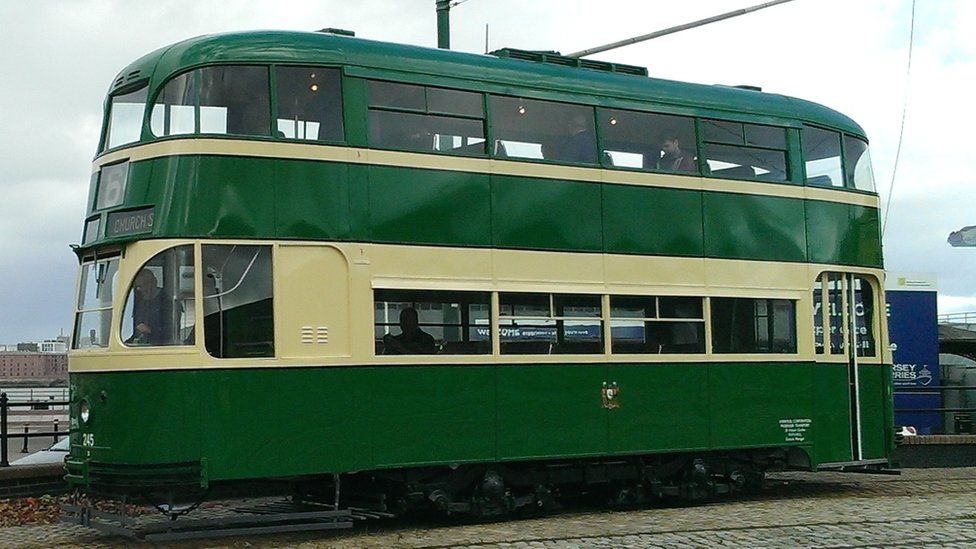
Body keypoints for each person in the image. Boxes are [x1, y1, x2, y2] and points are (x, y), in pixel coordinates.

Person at [127, 269, 168, 345]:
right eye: (138, 286)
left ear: (154, 282)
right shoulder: (137, 300)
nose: (140, 289)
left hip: (160, 346)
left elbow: (171, 331)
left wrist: (150, 330)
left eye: (144, 285)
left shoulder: (167, 301)